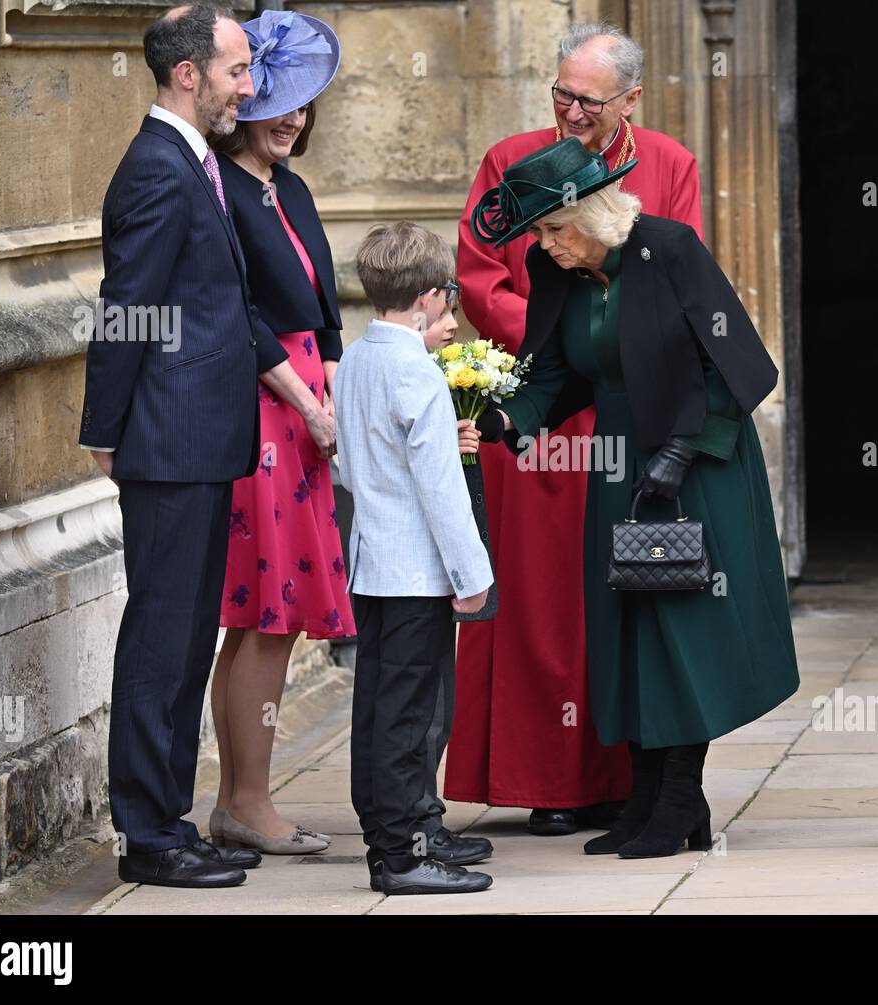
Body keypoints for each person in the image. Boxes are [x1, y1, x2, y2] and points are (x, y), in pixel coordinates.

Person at [470, 139, 799, 858]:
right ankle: (650, 796)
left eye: (554, 230)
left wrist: (683, 448)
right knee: (629, 631)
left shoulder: (668, 249)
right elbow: (555, 373)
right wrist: (502, 419)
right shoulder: (553, 270)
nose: (544, 246)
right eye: (538, 234)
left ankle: (678, 797)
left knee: (687, 632)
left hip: (700, 464)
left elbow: (738, 362)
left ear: (594, 214)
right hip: (620, 463)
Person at [79, 3, 335, 889]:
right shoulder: (156, 168)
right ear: (188, 74)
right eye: (236, 71)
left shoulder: (196, 165)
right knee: (161, 641)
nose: (250, 86)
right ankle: (149, 836)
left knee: (187, 640)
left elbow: (217, 303)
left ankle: (170, 823)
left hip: (201, 440)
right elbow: (130, 310)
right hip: (168, 443)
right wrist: (103, 431)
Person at [448, 21, 705, 839]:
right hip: (547, 408)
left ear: (631, 97)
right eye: (559, 94)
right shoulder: (510, 159)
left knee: (630, 597)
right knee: (542, 600)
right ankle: (548, 776)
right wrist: (568, 343)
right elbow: (482, 275)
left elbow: (685, 284)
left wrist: (615, 340)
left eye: (586, 99)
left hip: (636, 413)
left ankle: (638, 782)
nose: (568, 111)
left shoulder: (671, 165)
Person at [198, 9, 352, 855]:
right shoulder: (217, 185)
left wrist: (338, 396)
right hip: (265, 411)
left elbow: (316, 313)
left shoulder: (289, 187)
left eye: (303, 104)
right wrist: (308, 403)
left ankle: (240, 800)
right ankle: (246, 803)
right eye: (275, 103)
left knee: (273, 615)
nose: (291, 117)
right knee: (264, 610)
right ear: (241, 101)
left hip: (305, 409)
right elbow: (243, 317)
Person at [334, 222, 495, 895]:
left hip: (371, 562)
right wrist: (473, 573)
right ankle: (401, 852)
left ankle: (396, 827)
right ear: (429, 298)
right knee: (406, 711)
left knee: (377, 703)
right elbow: (440, 489)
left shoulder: (355, 361)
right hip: (416, 570)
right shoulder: (419, 374)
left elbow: (347, 463)